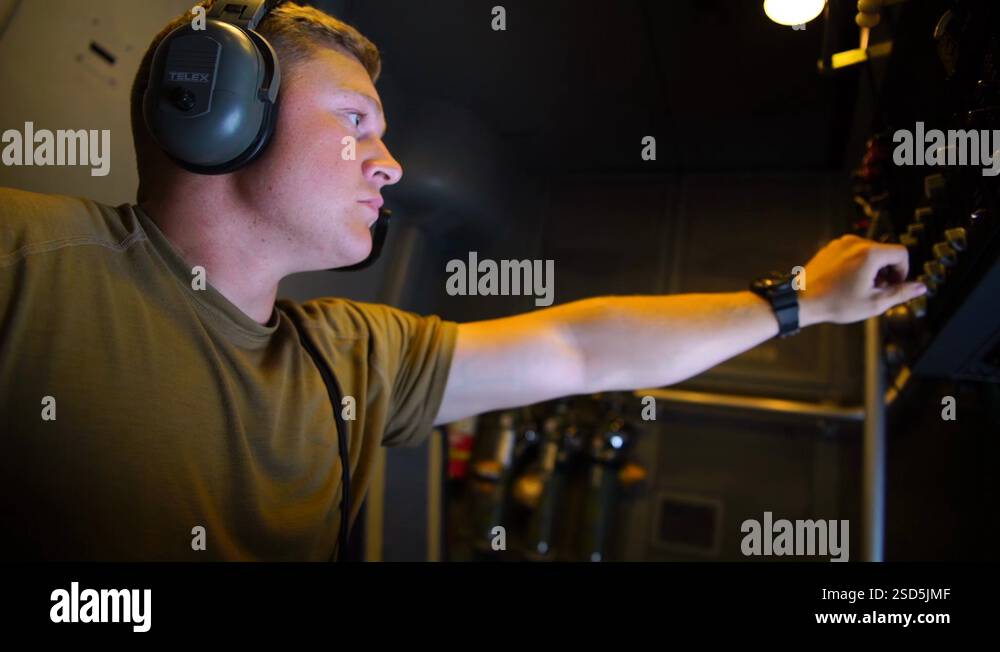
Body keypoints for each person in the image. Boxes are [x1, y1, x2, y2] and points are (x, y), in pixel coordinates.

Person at [0, 1, 926, 560]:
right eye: (357, 121)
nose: (390, 163)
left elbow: (579, 345)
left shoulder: (350, 358)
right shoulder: (27, 259)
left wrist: (802, 299)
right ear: (219, 112)